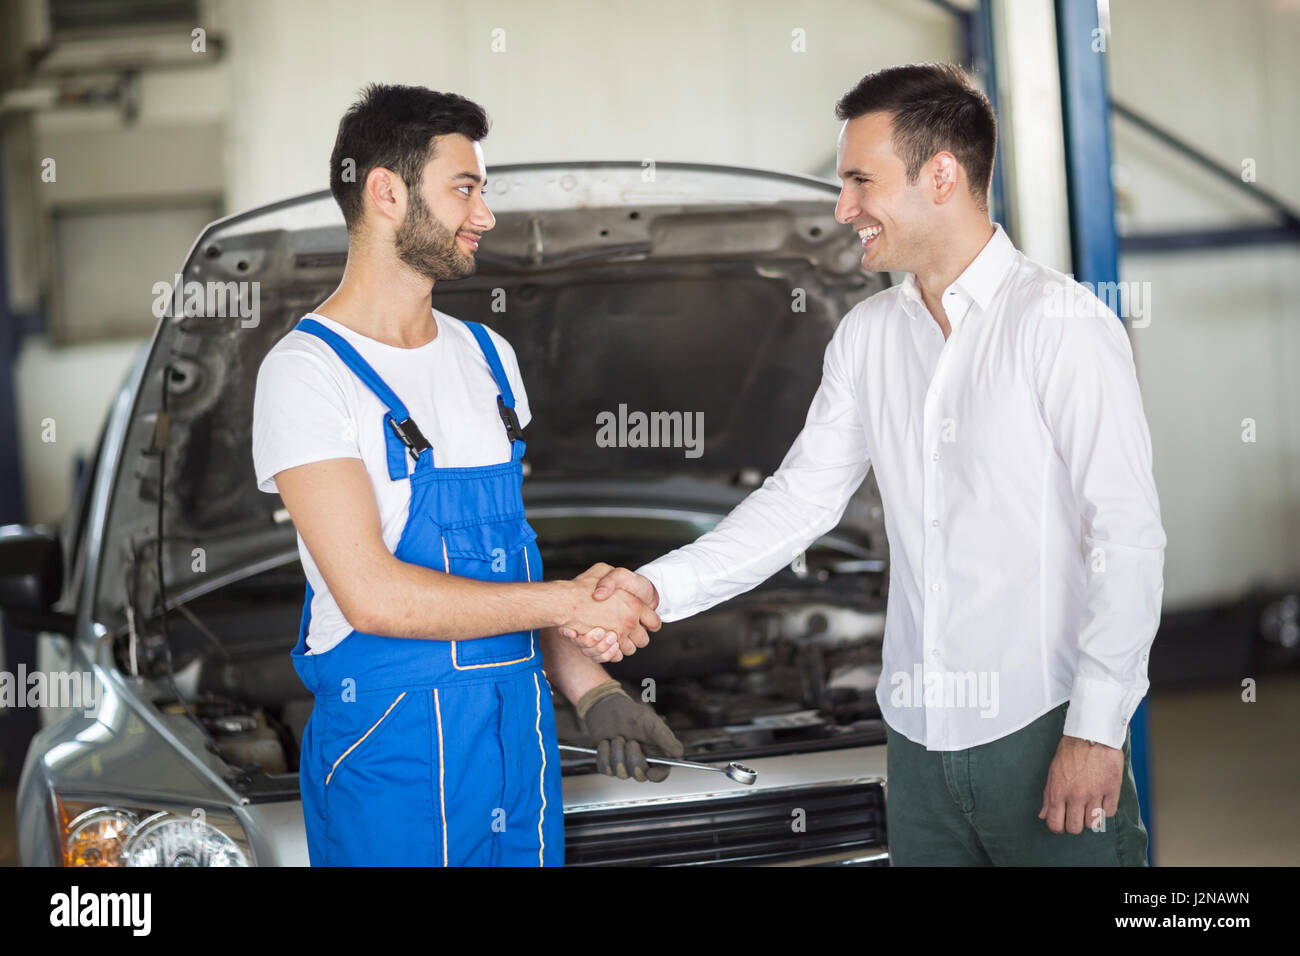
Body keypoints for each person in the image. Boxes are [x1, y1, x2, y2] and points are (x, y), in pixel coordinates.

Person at [584, 63, 1165, 866]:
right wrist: (657, 588)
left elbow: (1127, 539)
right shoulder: (868, 336)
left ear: (941, 175)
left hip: (1041, 726)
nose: (843, 208)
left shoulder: (1060, 324)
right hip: (918, 740)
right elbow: (800, 502)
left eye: (860, 180)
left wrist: (1098, 731)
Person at [252, 84, 681, 867]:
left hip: (517, 737)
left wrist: (593, 689)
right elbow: (373, 596)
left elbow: (502, 564)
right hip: (393, 751)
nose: (484, 215)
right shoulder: (307, 375)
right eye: (465, 188)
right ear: (386, 191)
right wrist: (572, 599)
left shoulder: (489, 359)